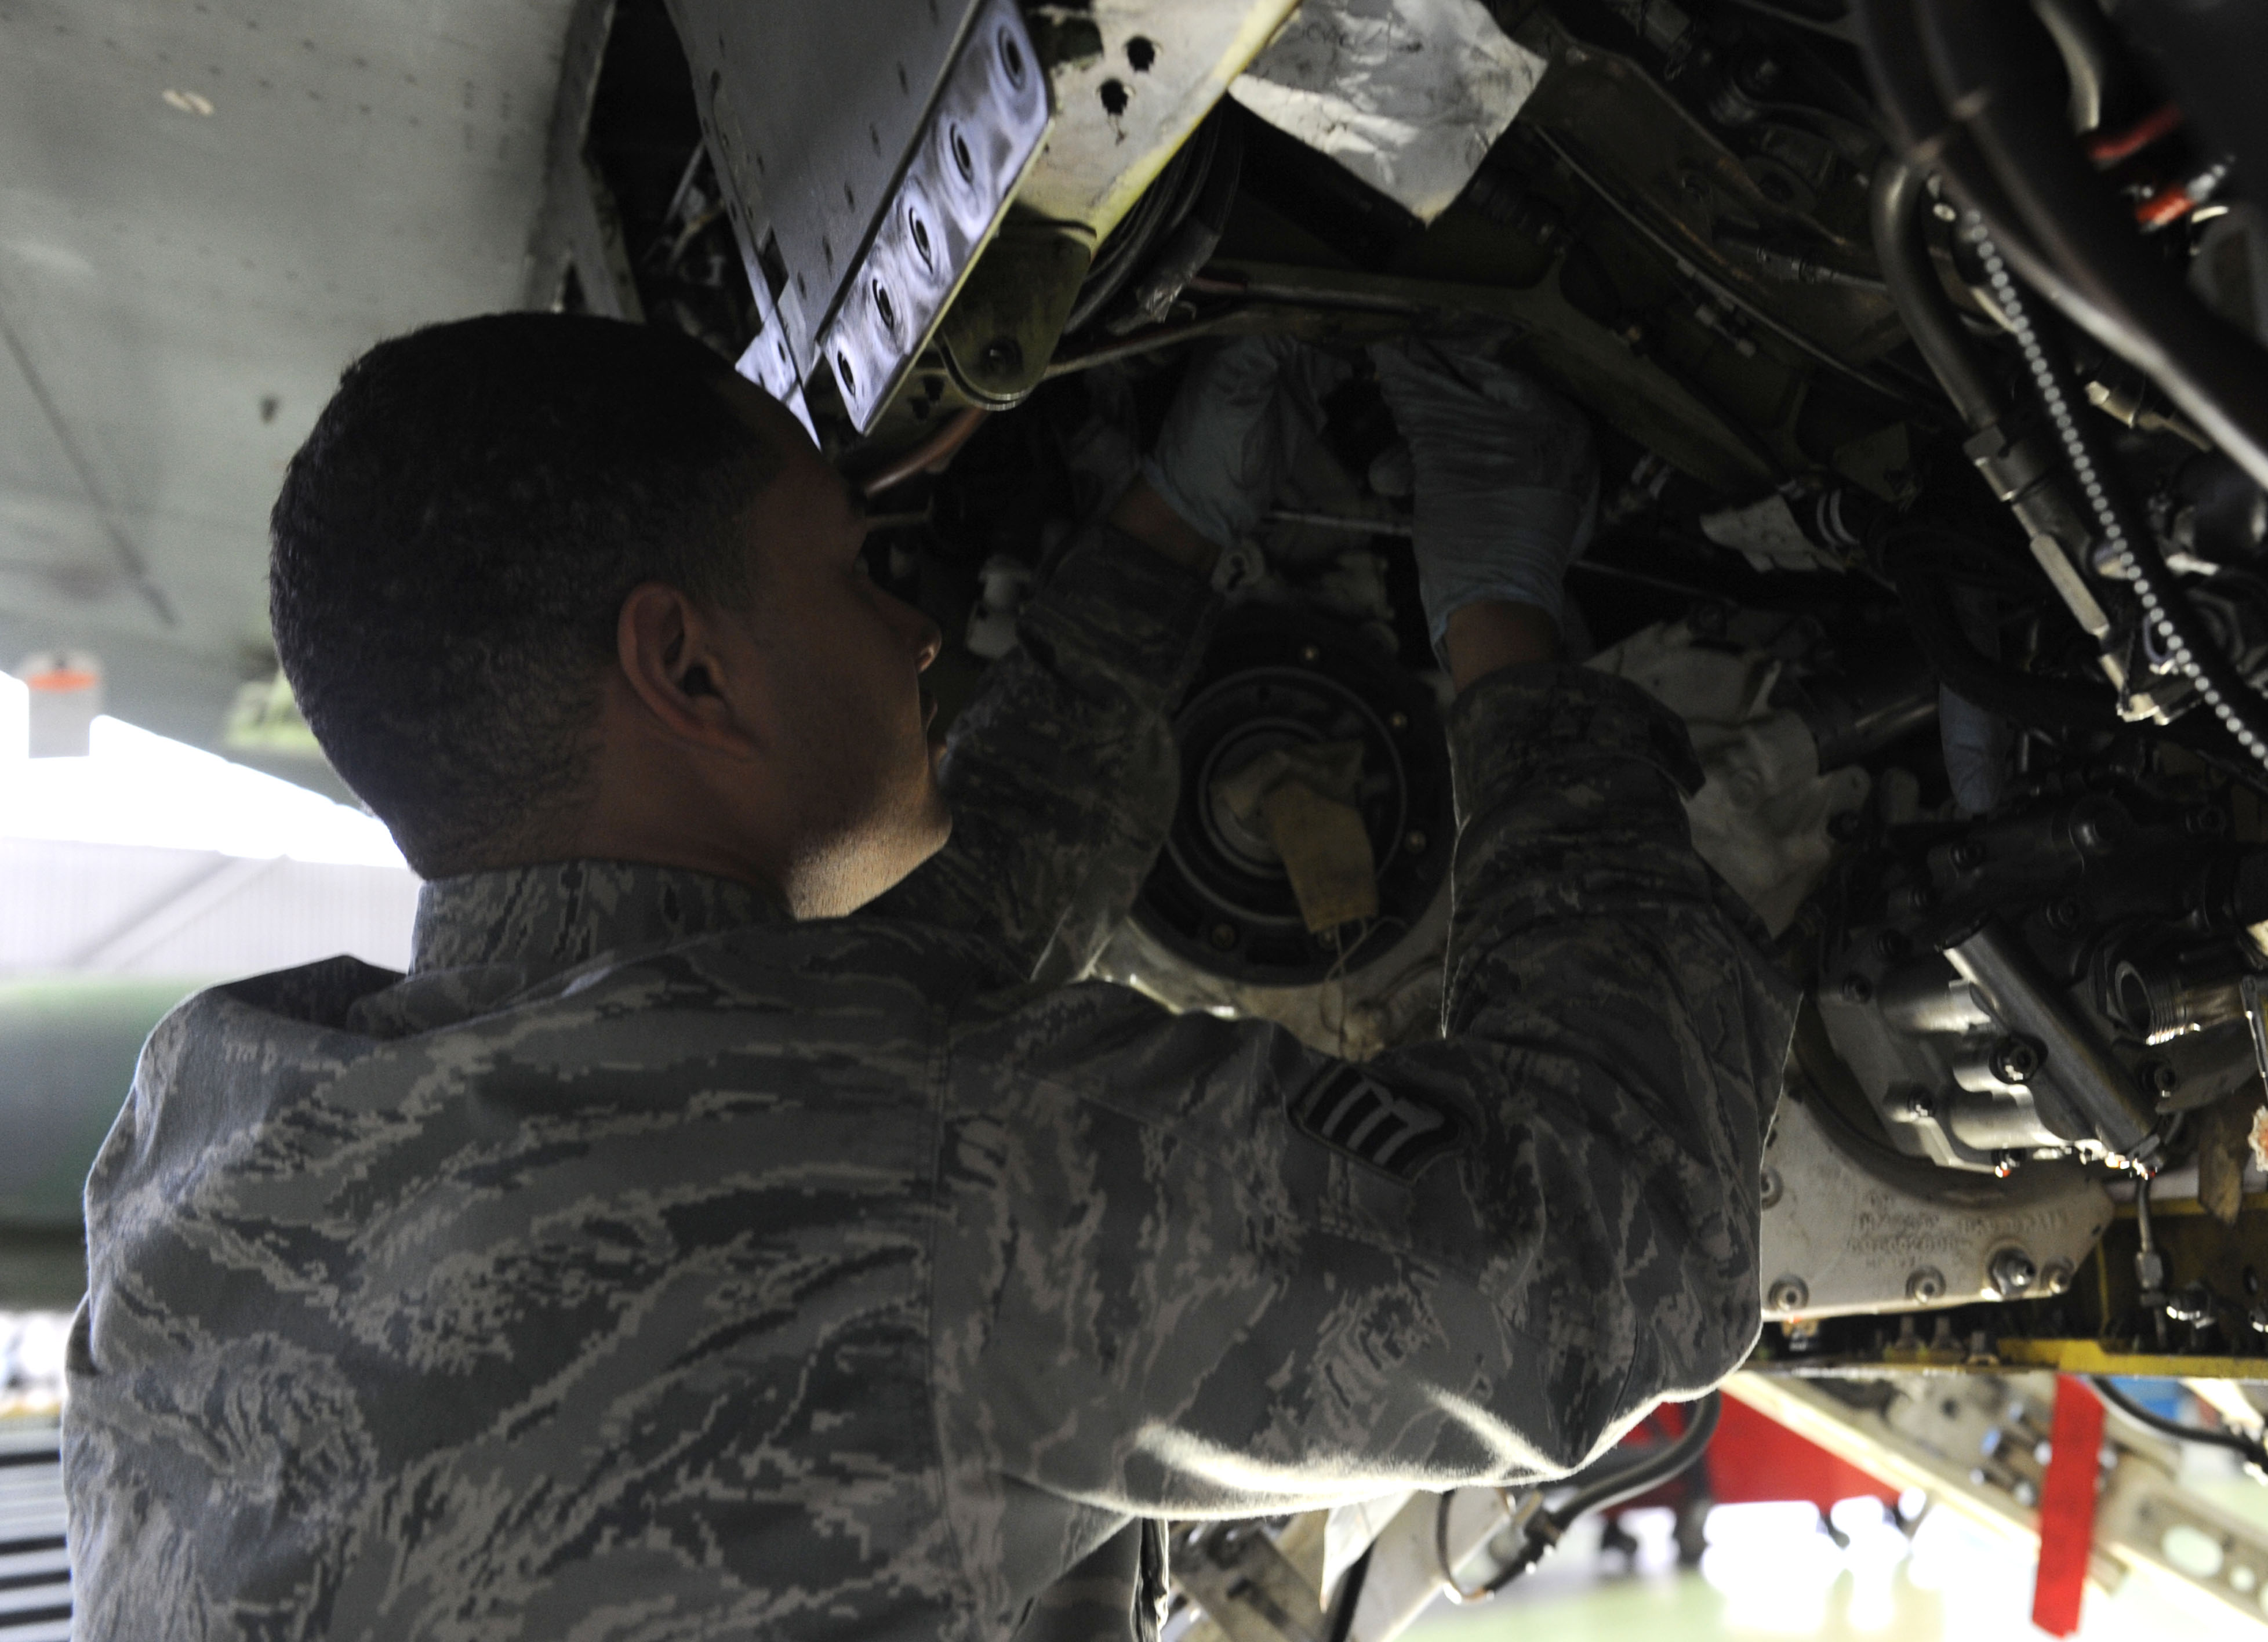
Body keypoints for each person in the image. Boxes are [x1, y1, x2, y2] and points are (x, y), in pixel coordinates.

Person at [62, 313, 1793, 1640]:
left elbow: (816, 1076)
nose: (915, 632)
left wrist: (1161, 544)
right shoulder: (901, 1180)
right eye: (857, 569)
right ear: (681, 665)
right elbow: (1602, 1244)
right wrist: (1508, 632)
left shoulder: (204, 1166)